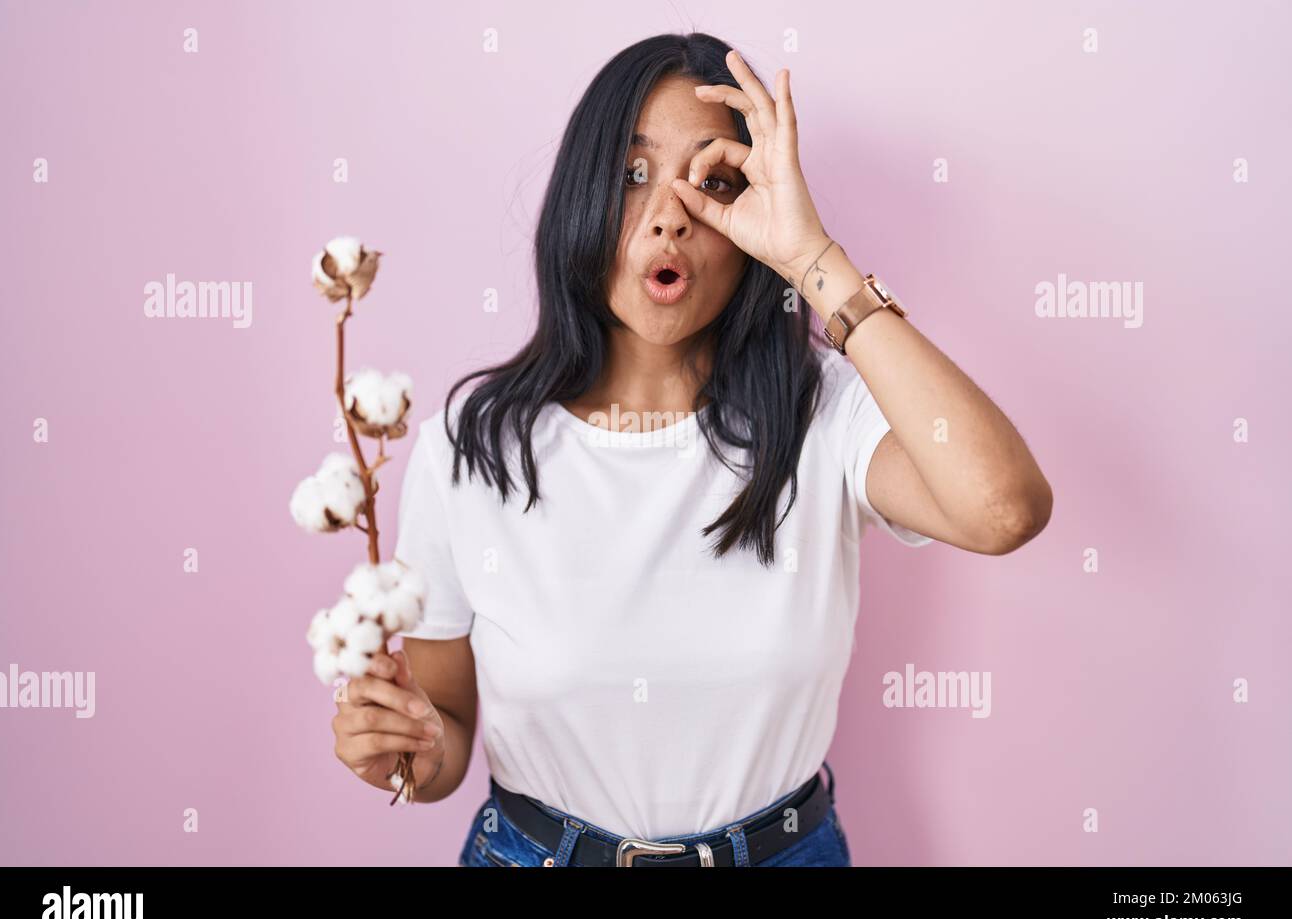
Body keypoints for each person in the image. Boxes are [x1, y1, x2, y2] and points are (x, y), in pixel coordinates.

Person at [331, 32, 1052, 867]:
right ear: (580, 196)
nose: (670, 215)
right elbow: (446, 739)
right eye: (633, 174)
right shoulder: (469, 447)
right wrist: (404, 752)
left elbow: (1003, 509)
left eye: (714, 183)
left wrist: (811, 258)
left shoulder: (821, 411)